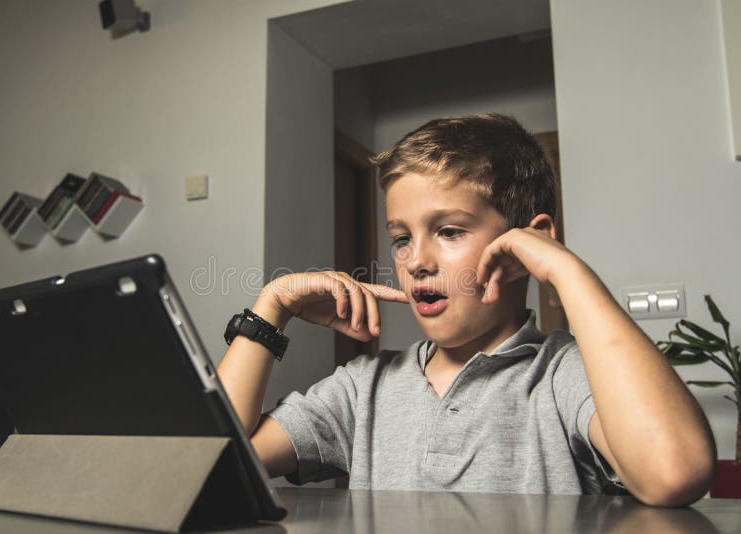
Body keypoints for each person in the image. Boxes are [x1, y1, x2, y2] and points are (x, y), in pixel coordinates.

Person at [217, 114, 715, 506]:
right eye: (400, 239)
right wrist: (271, 309)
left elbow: (674, 472)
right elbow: (217, 466)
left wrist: (568, 272)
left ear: (528, 247)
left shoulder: (564, 376)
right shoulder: (363, 387)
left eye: (450, 231)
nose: (416, 262)